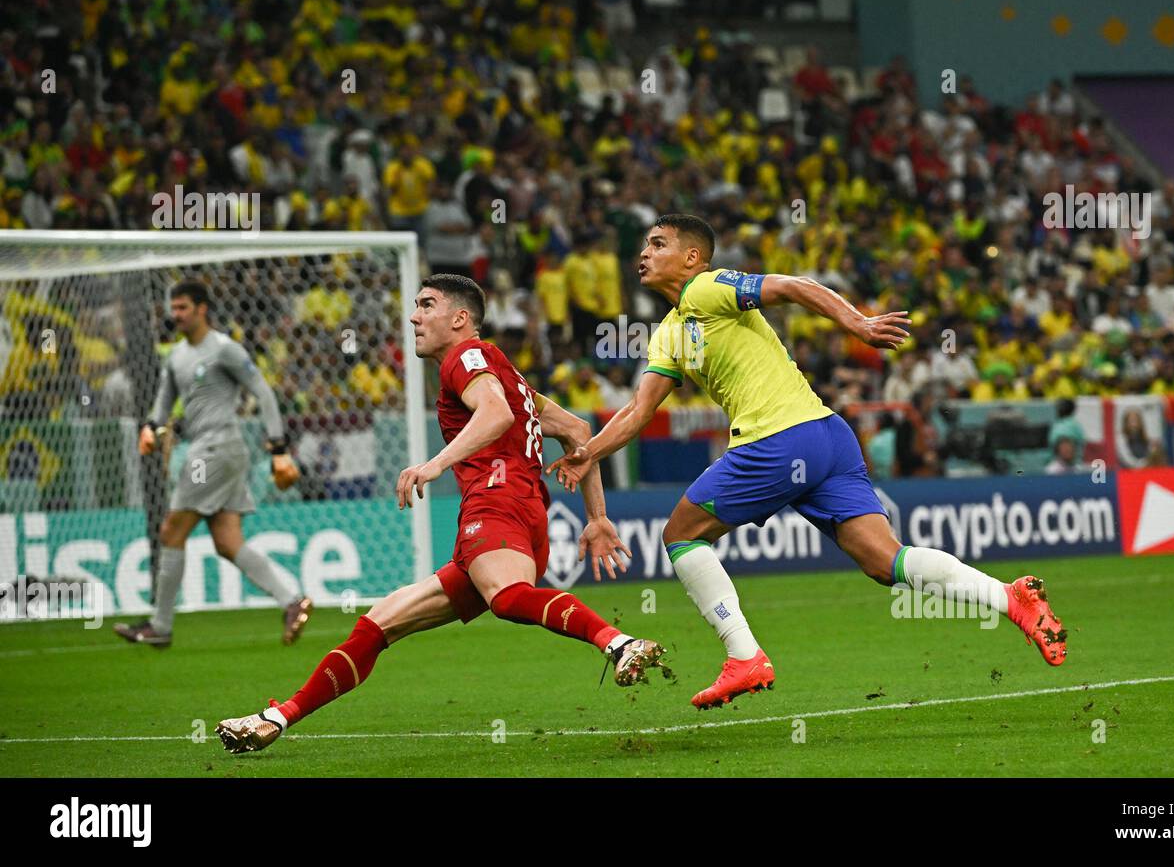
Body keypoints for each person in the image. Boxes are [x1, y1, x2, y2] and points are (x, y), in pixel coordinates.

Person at [548, 214, 1068, 710]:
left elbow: (793, 285)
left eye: (658, 243)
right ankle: (1010, 598)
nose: (643, 252)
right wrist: (586, 452)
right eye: (644, 244)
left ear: (692, 258)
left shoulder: (705, 288)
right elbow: (639, 413)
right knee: (884, 561)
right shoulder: (669, 331)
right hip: (827, 437)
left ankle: (744, 656)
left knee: (682, 535)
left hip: (777, 439)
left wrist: (857, 323)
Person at [215, 275, 664, 754]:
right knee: (379, 622)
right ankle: (276, 718)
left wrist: (434, 464)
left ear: (460, 319)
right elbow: (577, 430)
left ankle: (618, 643)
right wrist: (596, 516)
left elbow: (496, 415)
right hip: (519, 510)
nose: (414, 317)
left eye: (427, 305)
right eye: (415, 306)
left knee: (510, 599)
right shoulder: (502, 370)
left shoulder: (465, 357)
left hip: (498, 502)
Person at [114, 281, 311, 648]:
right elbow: (162, 404)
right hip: (212, 450)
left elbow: (263, 393)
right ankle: (292, 600)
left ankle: (160, 625)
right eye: (173, 308)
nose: (176, 315)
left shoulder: (224, 349)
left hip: (214, 451)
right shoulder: (175, 357)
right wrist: (150, 427)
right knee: (227, 541)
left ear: (202, 309)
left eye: (183, 307)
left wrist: (279, 448)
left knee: (172, 530)